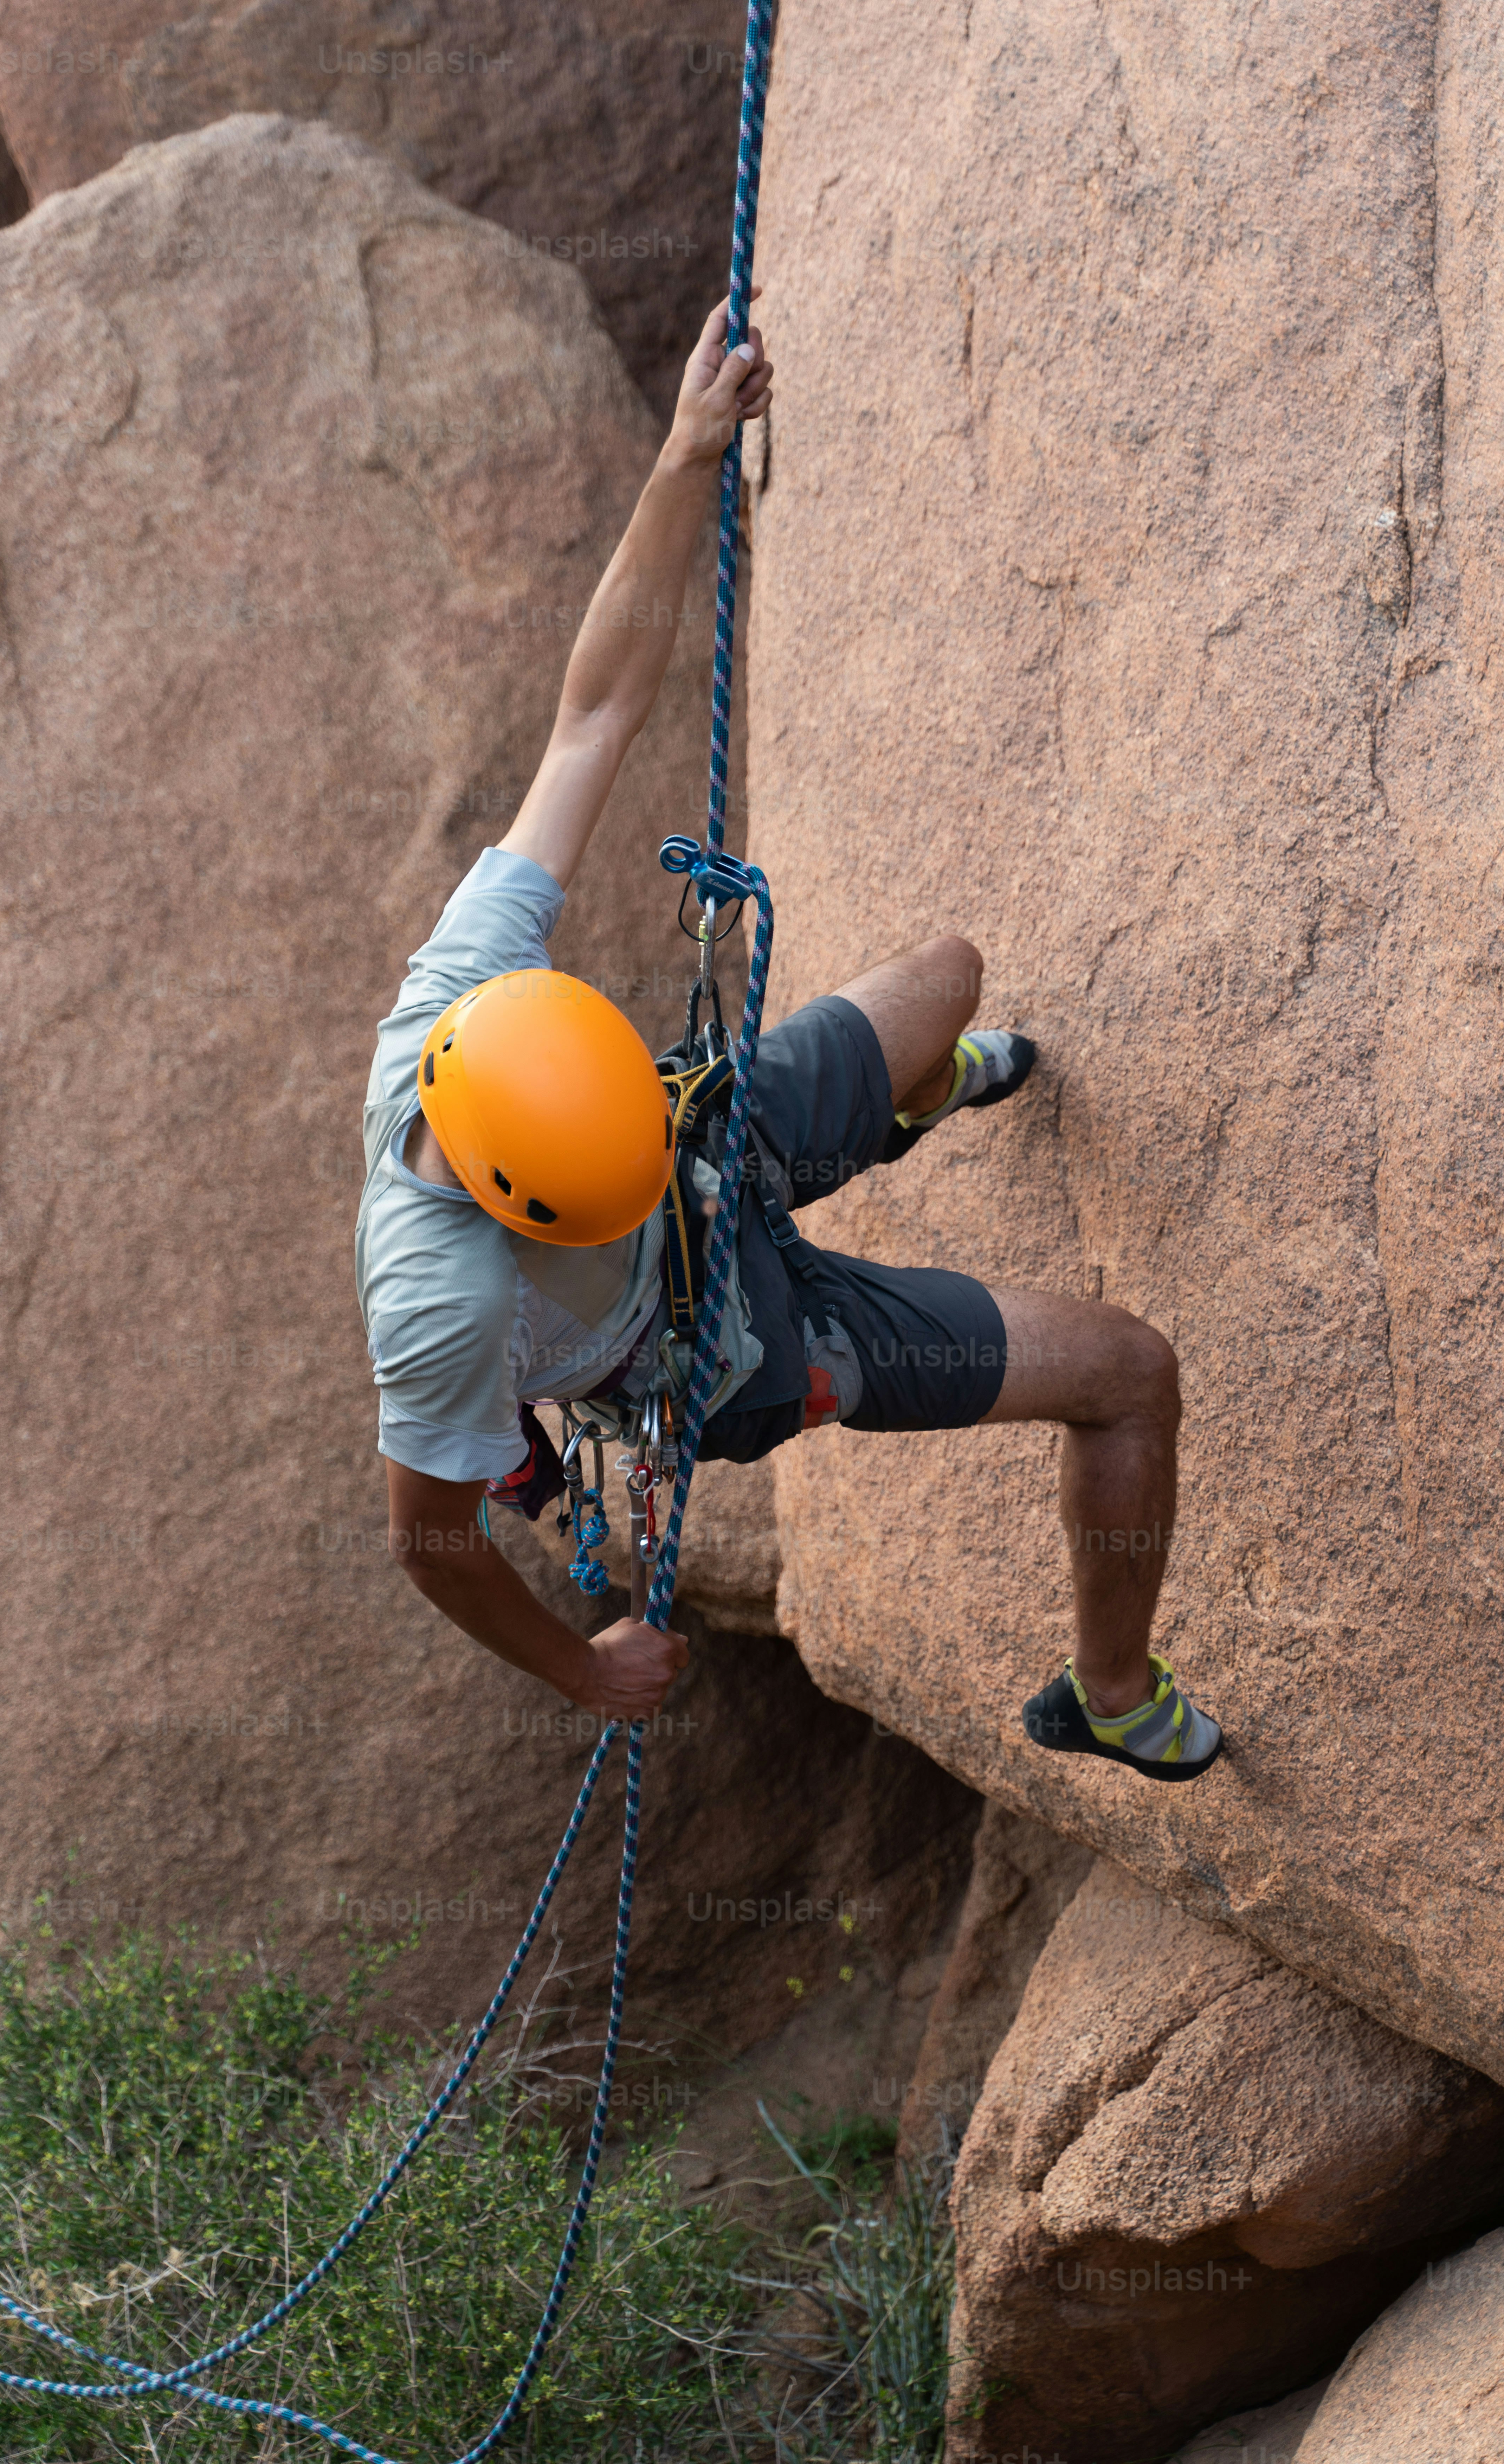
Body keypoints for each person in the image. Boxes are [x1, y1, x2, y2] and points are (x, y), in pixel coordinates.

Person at [356, 293, 1221, 1785]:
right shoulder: (435, 1305)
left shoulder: (469, 989)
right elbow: (429, 1543)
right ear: (510, 1207)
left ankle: (902, 1098)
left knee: (947, 977)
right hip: (720, 1348)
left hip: (709, 1139)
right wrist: (583, 1667)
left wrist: (690, 449)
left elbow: (591, 716)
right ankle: (1113, 1693)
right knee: (1130, 1371)